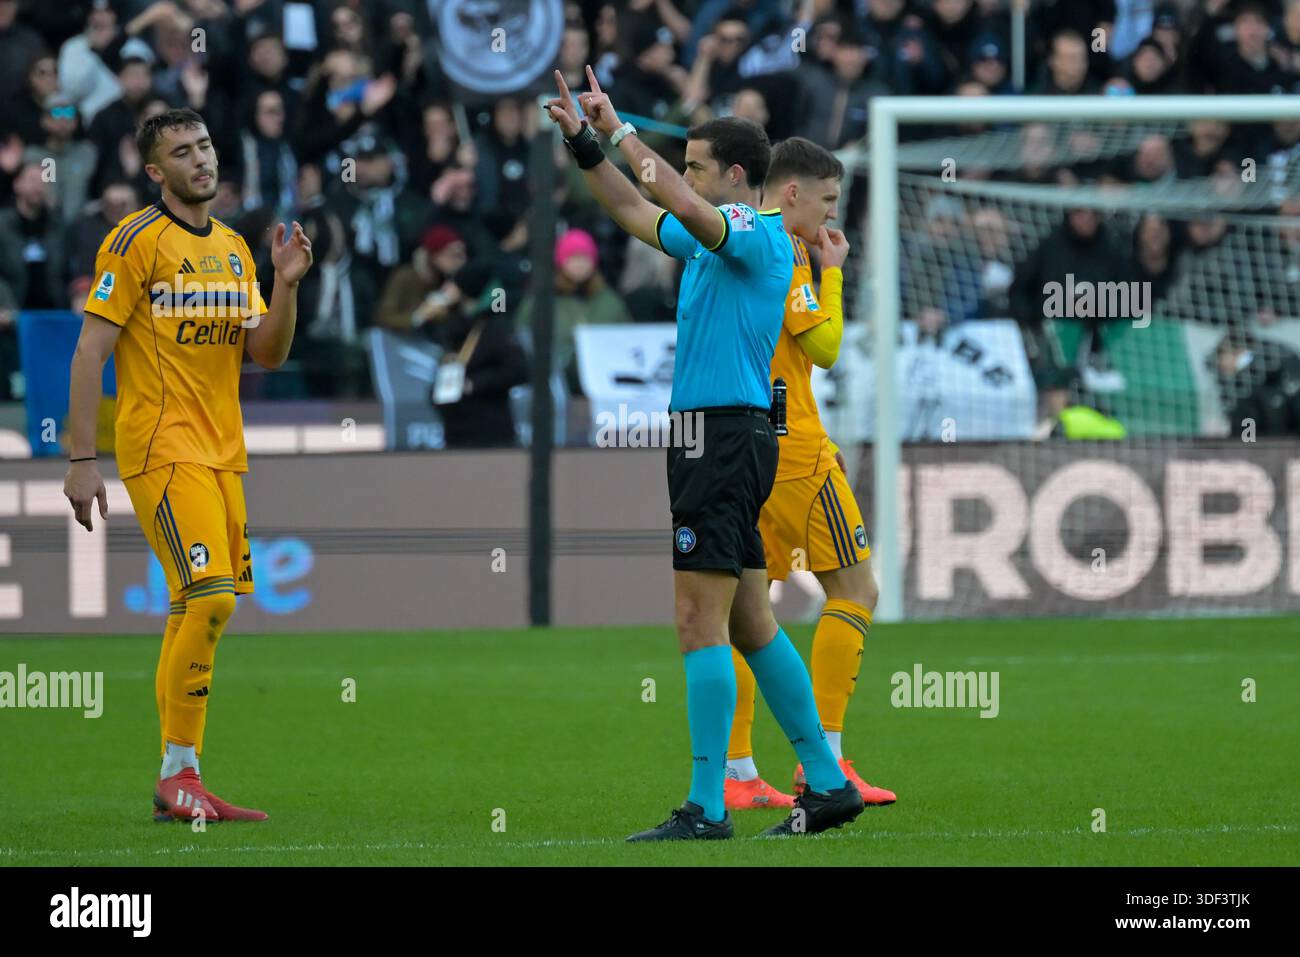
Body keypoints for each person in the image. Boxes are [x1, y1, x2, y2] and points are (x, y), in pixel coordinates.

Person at [545, 66, 862, 840]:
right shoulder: (715, 238)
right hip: (716, 435)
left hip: (720, 436)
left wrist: (621, 131)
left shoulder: (754, 232)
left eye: (696, 165)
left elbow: (676, 201)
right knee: (751, 620)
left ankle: (707, 806)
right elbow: (634, 208)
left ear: (738, 177)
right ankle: (826, 782)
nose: (684, 178)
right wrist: (586, 145)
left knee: (696, 618)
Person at [61, 108, 314, 824]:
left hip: (222, 453)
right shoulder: (134, 241)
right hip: (160, 446)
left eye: (204, 145)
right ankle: (179, 773)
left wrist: (286, 284)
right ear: (155, 171)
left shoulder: (233, 248)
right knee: (211, 599)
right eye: (181, 152)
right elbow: (89, 352)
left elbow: (266, 353)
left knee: (191, 605)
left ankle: (180, 779)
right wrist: (81, 459)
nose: (200, 159)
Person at [724, 136, 894, 812]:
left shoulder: (735, 235)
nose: (831, 215)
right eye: (827, 199)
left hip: (745, 440)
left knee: (744, 607)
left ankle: (738, 770)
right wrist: (834, 272)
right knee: (856, 588)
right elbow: (823, 347)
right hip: (793, 452)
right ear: (792, 191)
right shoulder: (787, 247)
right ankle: (825, 759)